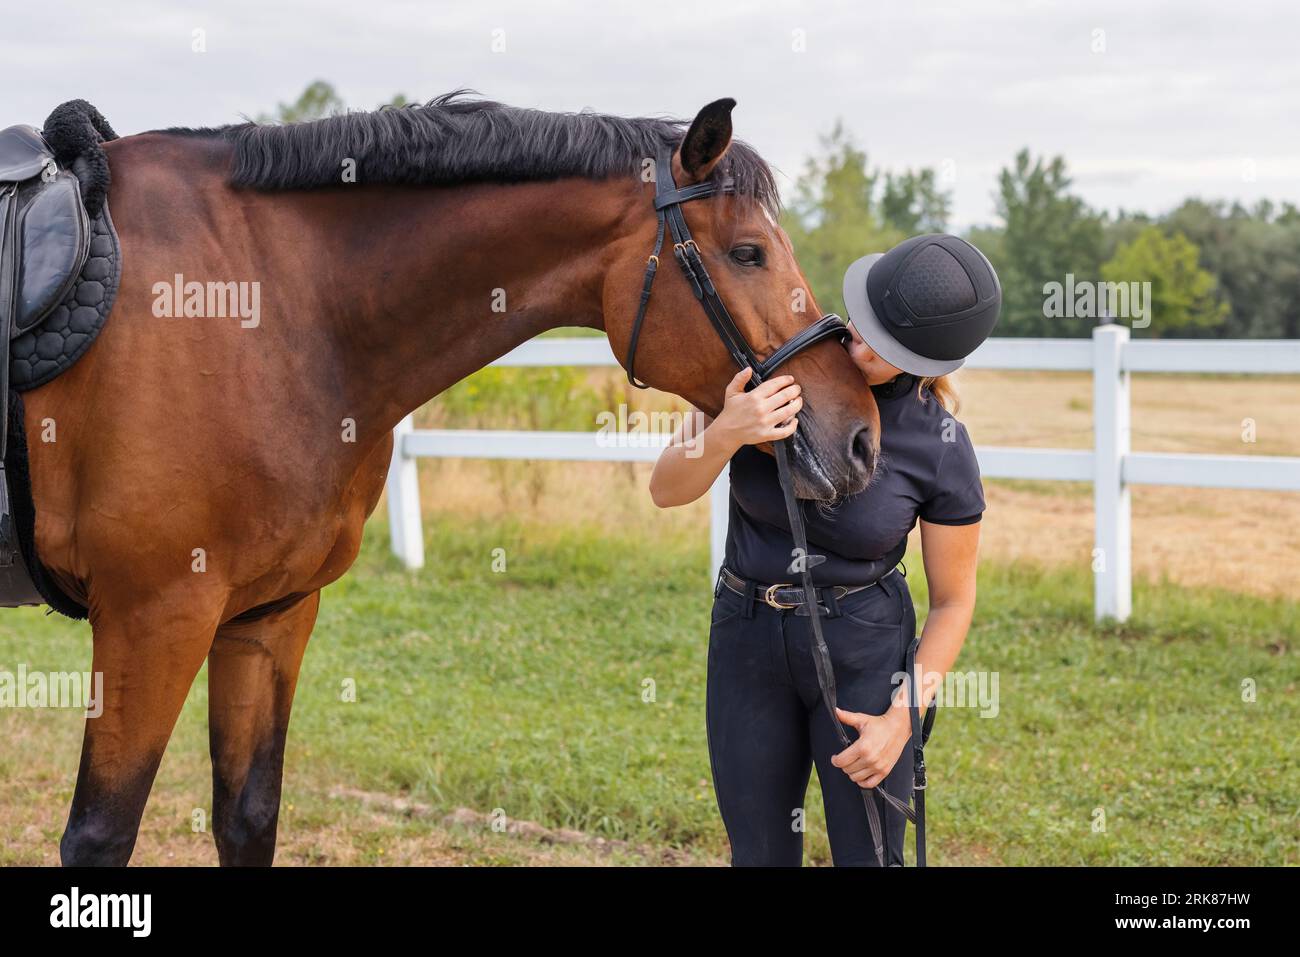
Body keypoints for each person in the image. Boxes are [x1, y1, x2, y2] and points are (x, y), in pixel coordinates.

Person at [650, 233, 1001, 865]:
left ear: (928, 363)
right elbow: (666, 488)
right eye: (860, 326)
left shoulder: (940, 443)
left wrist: (902, 719)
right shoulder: (766, 369)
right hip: (746, 635)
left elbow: (953, 601)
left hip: (863, 647)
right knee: (757, 854)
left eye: (885, 348)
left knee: (867, 857)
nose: (859, 348)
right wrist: (730, 428)